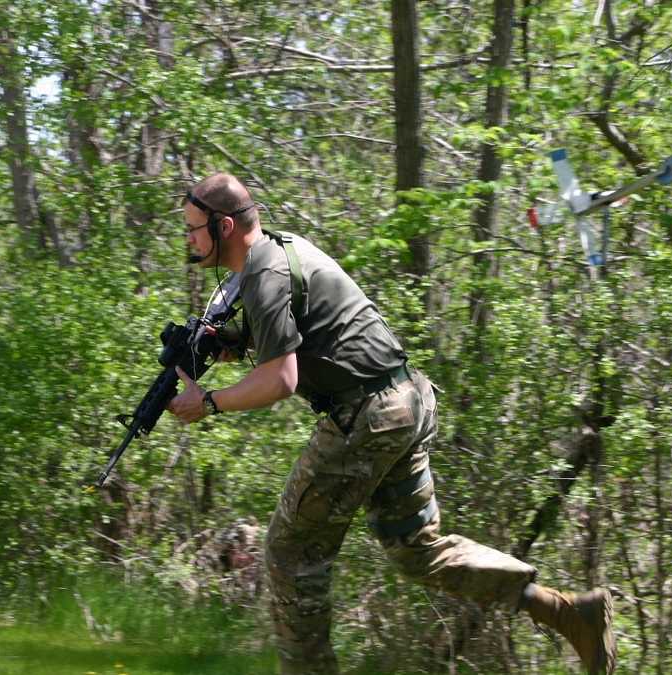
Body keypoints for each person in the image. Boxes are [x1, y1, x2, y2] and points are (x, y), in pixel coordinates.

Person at [166, 173, 617, 674]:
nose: (188, 238)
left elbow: (281, 380)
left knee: (290, 552)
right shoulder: (281, 249)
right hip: (406, 400)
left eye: (192, 229)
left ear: (224, 226)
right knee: (416, 551)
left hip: (369, 414)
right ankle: (570, 613)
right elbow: (305, 331)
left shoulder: (262, 274)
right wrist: (231, 343)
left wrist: (208, 402)